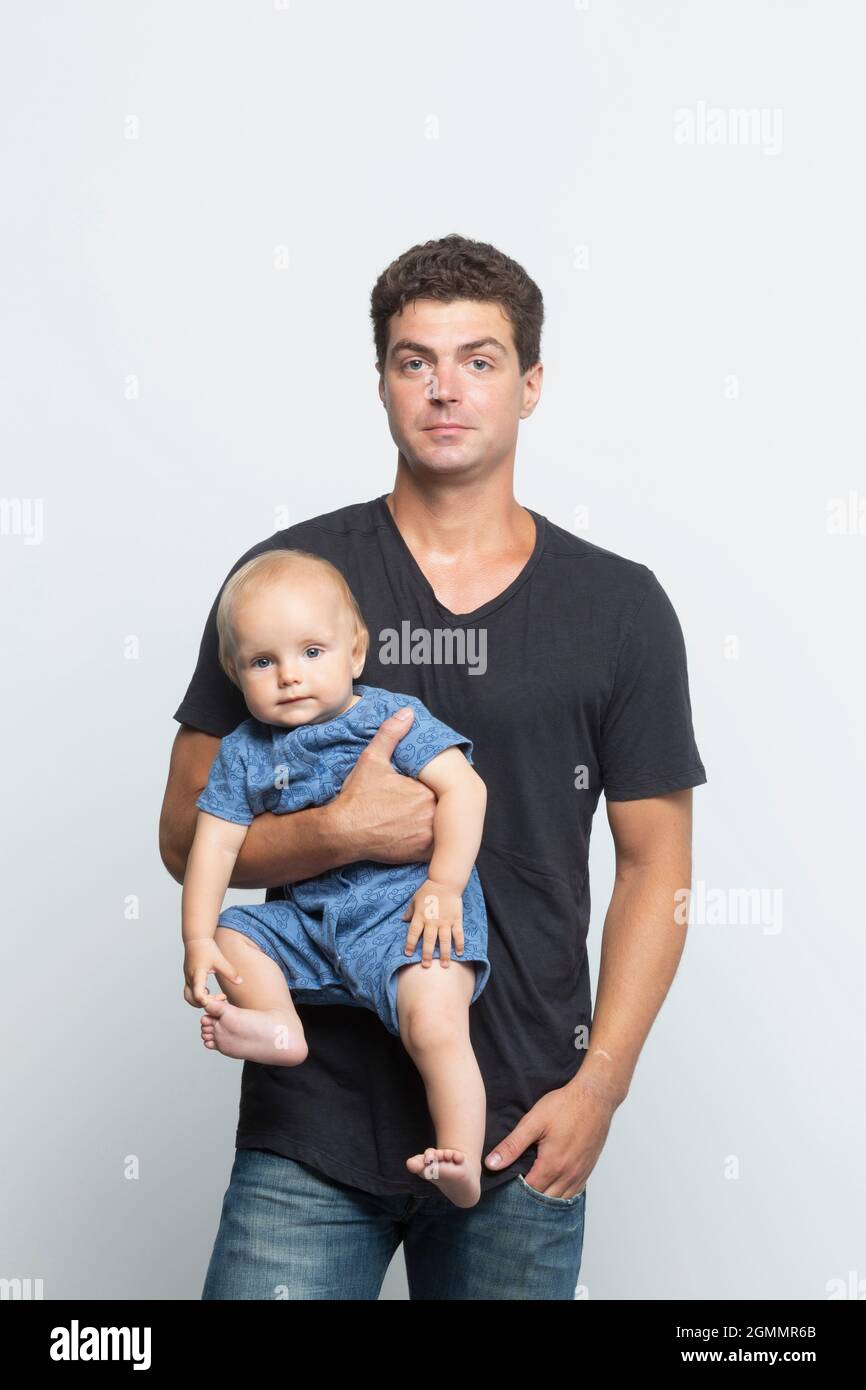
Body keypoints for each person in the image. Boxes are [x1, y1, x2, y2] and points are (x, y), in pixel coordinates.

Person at [159, 232, 707, 1300]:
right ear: (380, 383)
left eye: (478, 358)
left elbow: (658, 867)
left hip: (522, 1123)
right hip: (312, 1116)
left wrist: (601, 1086)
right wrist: (339, 833)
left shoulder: (617, 607)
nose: (445, 388)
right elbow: (185, 835)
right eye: (415, 361)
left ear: (530, 382)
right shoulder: (287, 587)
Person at [182, 546, 491, 1208]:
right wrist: (197, 938)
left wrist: (442, 884)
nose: (290, 676)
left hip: (411, 915)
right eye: (264, 662)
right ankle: (278, 1027)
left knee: (435, 1025)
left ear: (355, 652)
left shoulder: (389, 717)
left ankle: (461, 1156)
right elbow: (213, 846)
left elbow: (466, 792)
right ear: (238, 676)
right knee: (238, 931)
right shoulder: (242, 751)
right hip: (318, 925)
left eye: (312, 652)